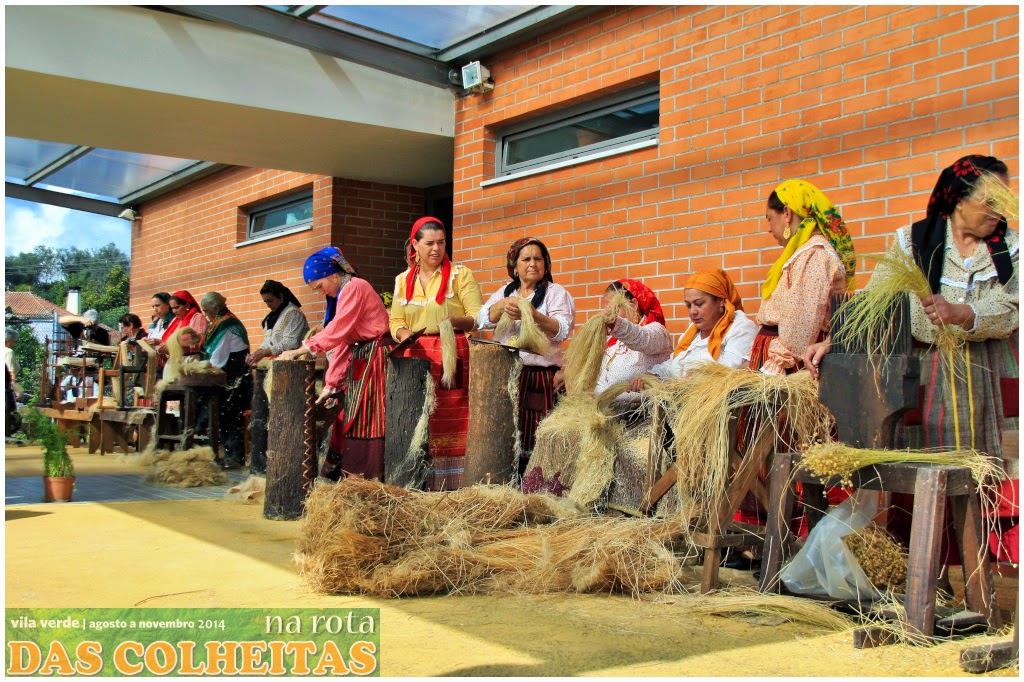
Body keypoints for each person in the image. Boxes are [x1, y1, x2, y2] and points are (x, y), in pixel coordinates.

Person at [806, 155, 1018, 564]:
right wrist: (834, 340)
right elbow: (877, 299)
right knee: (927, 470)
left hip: (985, 372)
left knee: (983, 473)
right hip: (928, 375)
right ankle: (927, 572)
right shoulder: (913, 241)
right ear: (958, 200)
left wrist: (964, 313)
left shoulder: (1010, 248)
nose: (1001, 211)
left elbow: (1013, 305)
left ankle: (980, 575)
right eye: (992, 200)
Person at [278, 247, 390, 481]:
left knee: (366, 416)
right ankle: (348, 474)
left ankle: (368, 477)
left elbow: (337, 332)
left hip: (376, 357)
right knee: (349, 415)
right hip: (362, 356)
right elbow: (342, 342)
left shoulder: (356, 287)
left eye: (319, 286)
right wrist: (331, 384)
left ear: (333, 274)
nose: (320, 292)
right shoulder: (343, 293)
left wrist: (302, 349)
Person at [389, 217, 483, 491]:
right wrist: (404, 335)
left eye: (441, 243)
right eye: (429, 243)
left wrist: (455, 322)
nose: (436, 249)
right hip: (416, 356)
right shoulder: (402, 280)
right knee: (418, 416)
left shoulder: (460, 274)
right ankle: (418, 482)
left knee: (451, 414)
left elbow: (477, 317)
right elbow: (395, 321)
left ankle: (452, 484)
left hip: (450, 353)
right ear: (415, 245)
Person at [477, 237, 576, 475]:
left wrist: (532, 315)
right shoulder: (505, 292)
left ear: (546, 264)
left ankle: (537, 487)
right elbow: (481, 320)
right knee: (507, 434)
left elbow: (562, 329)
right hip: (507, 376)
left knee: (538, 437)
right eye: (526, 259)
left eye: (538, 258)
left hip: (540, 379)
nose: (533, 264)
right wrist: (501, 307)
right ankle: (507, 483)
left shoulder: (555, 293)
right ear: (515, 265)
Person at [753, 179, 856, 374]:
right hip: (782, 357)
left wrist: (775, 367)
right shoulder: (802, 253)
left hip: (791, 365)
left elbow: (802, 321)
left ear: (786, 213)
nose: (768, 227)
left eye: (769, 218)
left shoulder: (814, 254)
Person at [628, 269, 758, 388]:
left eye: (699, 304)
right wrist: (653, 376)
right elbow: (674, 364)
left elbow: (729, 370)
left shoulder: (740, 328)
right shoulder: (692, 333)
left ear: (721, 302)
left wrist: (694, 377)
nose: (693, 312)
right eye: (688, 305)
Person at [198, 292, 251, 469]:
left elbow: (218, 356)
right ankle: (229, 454)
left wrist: (205, 370)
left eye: (206, 311)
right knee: (224, 415)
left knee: (231, 415)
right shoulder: (218, 322)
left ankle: (235, 458)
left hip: (233, 373)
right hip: (227, 371)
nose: (205, 315)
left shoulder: (227, 324)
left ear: (216, 308)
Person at [592, 279, 672, 397]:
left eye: (615, 309)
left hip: (643, 413)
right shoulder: (614, 342)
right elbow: (602, 381)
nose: (610, 315)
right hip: (610, 411)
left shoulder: (657, 332)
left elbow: (641, 338)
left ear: (634, 305)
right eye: (608, 309)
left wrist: (615, 324)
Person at [245, 280, 309, 366]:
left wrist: (264, 352)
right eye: (265, 302)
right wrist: (256, 353)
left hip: (294, 364)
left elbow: (291, 342)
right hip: (278, 364)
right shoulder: (271, 317)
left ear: (281, 296)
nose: (268, 304)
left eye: (270, 300)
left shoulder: (293, 313)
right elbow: (268, 342)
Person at [159, 290, 207, 356]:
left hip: (191, 359)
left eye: (176, 307)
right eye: (172, 308)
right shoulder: (175, 320)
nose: (174, 311)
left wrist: (173, 345)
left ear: (187, 305)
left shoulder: (197, 318)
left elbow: (199, 341)